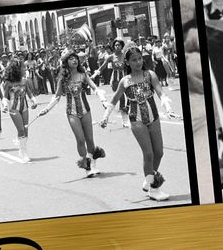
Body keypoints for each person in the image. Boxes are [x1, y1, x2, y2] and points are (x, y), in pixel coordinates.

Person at [102, 47, 169, 201]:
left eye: (140, 58)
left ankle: (148, 179)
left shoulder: (149, 74)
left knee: (159, 152)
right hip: (136, 119)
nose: (138, 62)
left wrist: (167, 104)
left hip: (154, 117)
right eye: (134, 60)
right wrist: (106, 117)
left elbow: (160, 92)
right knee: (149, 154)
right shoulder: (125, 81)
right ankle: (153, 189)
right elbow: (114, 100)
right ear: (127, 62)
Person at [35, 48, 105, 177]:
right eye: (71, 59)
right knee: (80, 139)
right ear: (66, 62)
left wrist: (102, 98)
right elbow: (56, 97)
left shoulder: (83, 74)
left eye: (76, 58)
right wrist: (47, 109)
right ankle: (86, 166)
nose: (75, 60)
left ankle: (93, 165)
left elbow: (94, 87)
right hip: (71, 112)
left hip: (85, 110)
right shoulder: (63, 79)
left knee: (89, 139)